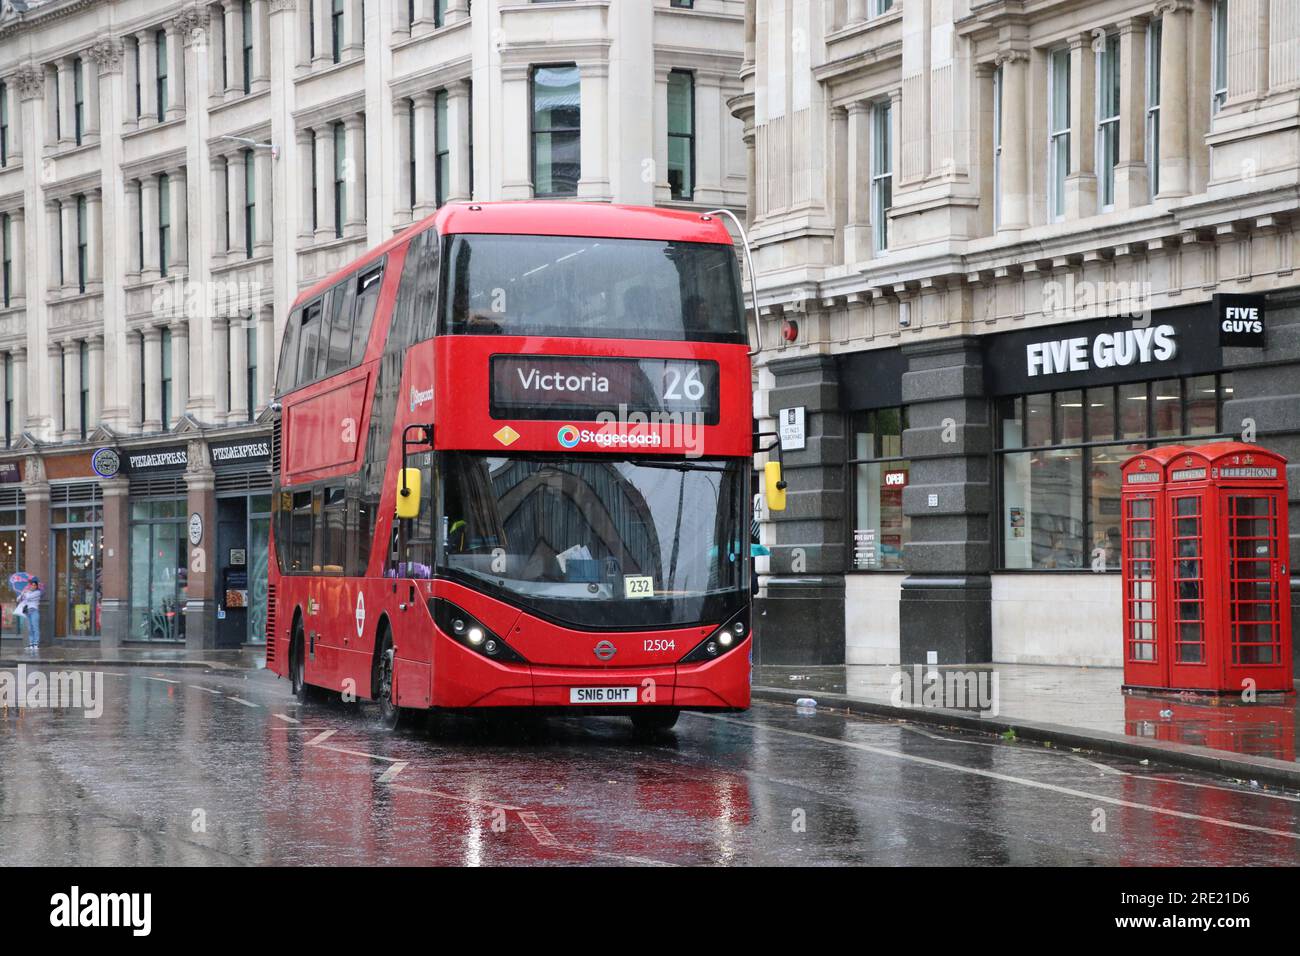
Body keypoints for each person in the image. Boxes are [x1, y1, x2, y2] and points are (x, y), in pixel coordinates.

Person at [16, 578, 43, 652]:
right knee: (30, 628)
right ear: (30, 585)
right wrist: (22, 593)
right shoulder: (27, 592)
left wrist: (25, 593)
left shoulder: (38, 592)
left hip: (34, 612)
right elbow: (18, 599)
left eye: (35, 585)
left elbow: (28, 597)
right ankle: (31, 644)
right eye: (32, 585)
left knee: (35, 628)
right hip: (27, 612)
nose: (33, 586)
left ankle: (36, 644)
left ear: (37, 586)